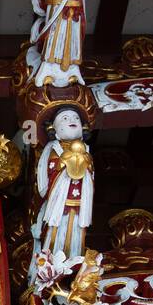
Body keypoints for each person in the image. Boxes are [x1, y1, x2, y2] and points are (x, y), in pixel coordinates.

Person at [32, 108, 93, 259]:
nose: (71, 120)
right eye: (64, 118)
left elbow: (90, 175)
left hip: (80, 200)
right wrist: (64, 163)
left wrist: (85, 163)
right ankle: (50, 259)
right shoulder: (55, 149)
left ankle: (73, 258)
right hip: (59, 200)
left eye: (76, 118)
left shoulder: (87, 150)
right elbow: (50, 171)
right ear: (55, 129)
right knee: (56, 229)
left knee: (77, 231)